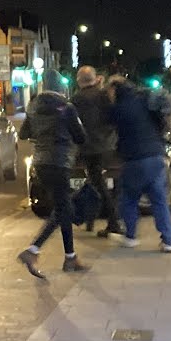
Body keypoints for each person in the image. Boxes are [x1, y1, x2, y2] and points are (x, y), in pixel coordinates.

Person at [17, 90, 90, 278]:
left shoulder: (33, 109)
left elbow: (24, 133)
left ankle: (70, 257)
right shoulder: (67, 108)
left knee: (63, 209)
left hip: (40, 163)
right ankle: (33, 250)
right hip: (60, 162)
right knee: (63, 209)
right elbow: (80, 137)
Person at [109, 76, 171, 253]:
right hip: (155, 155)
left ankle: (130, 236)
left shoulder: (119, 108)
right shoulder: (145, 99)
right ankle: (168, 241)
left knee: (129, 198)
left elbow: (111, 128)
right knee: (159, 200)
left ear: (115, 89)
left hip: (135, 159)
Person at [70, 66, 121, 237]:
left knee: (96, 183)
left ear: (79, 81)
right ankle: (103, 219)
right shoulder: (103, 96)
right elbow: (113, 118)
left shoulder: (76, 100)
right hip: (108, 146)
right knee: (99, 182)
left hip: (88, 148)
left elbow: (73, 125)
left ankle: (110, 221)